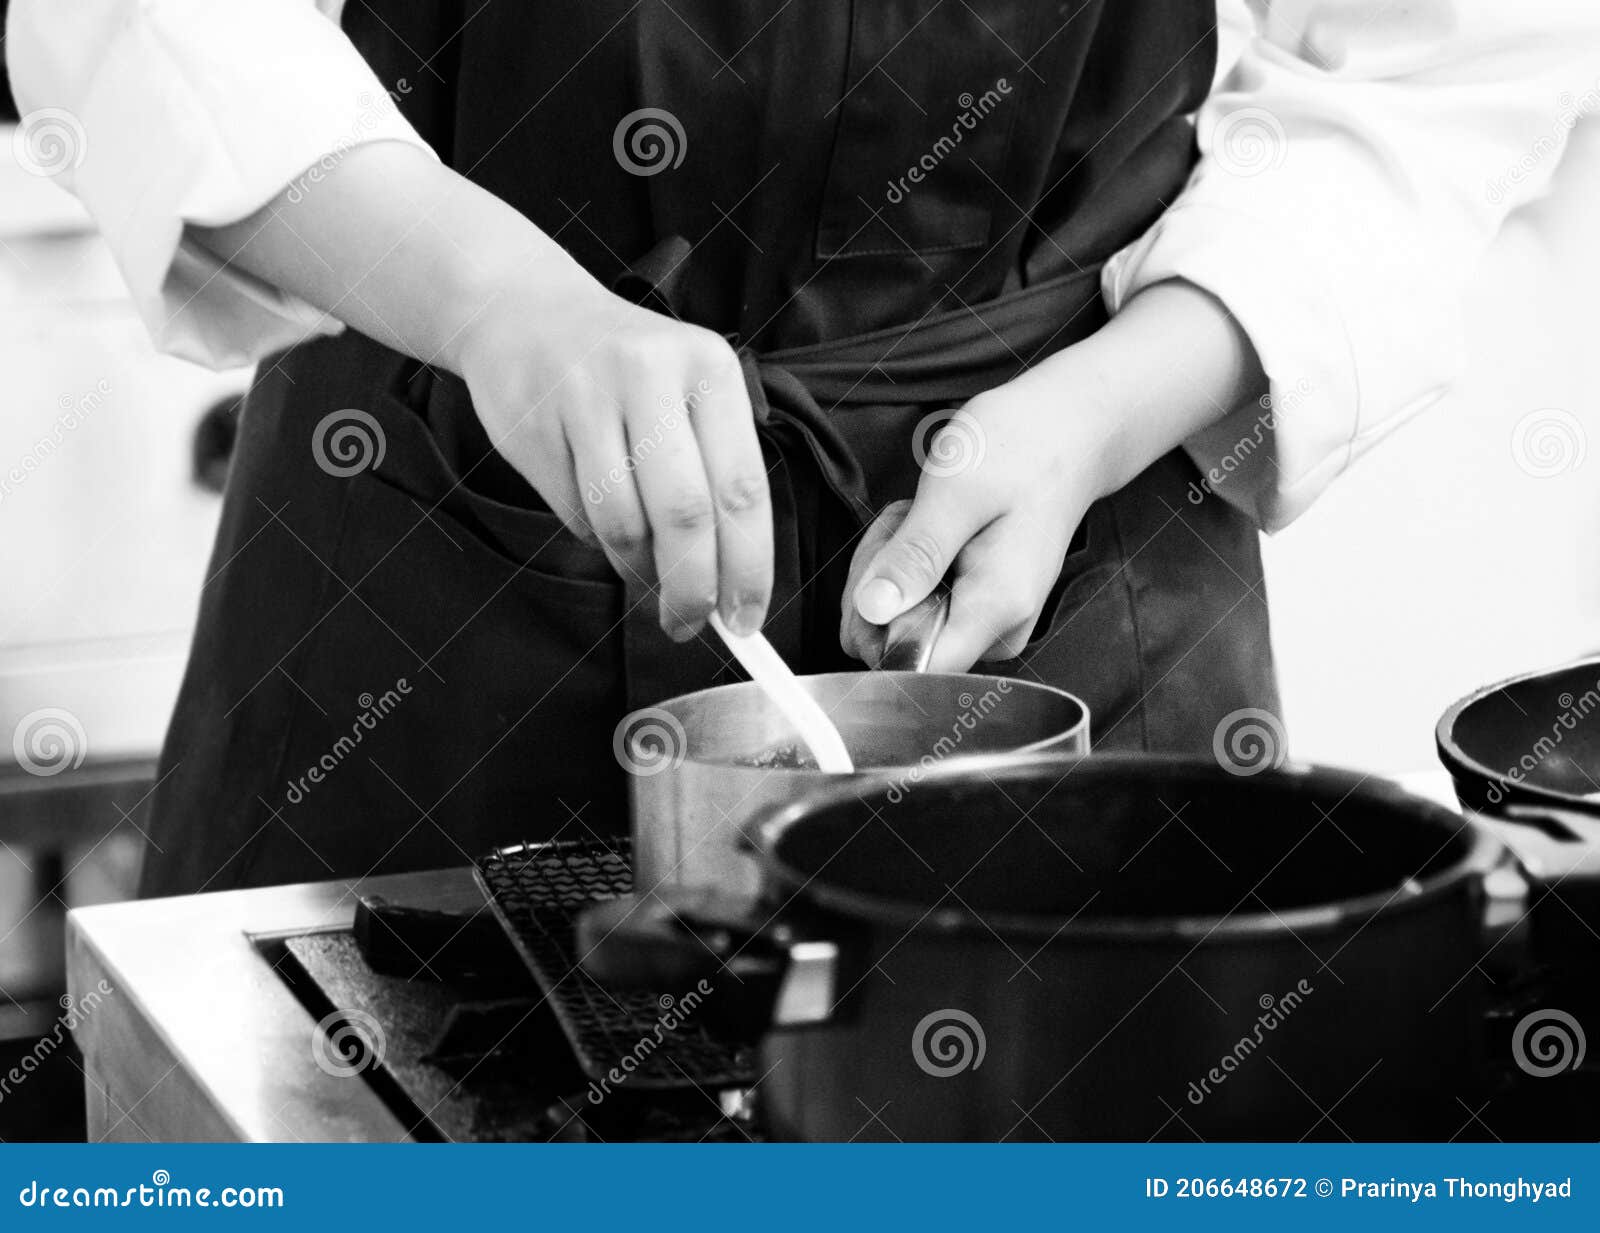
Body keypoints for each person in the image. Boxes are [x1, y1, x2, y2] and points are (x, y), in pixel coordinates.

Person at [7, 1, 1595, 894]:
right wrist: (497, 302)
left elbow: (1446, 66)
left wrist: (1098, 413)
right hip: (429, 583)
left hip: (1089, 572)